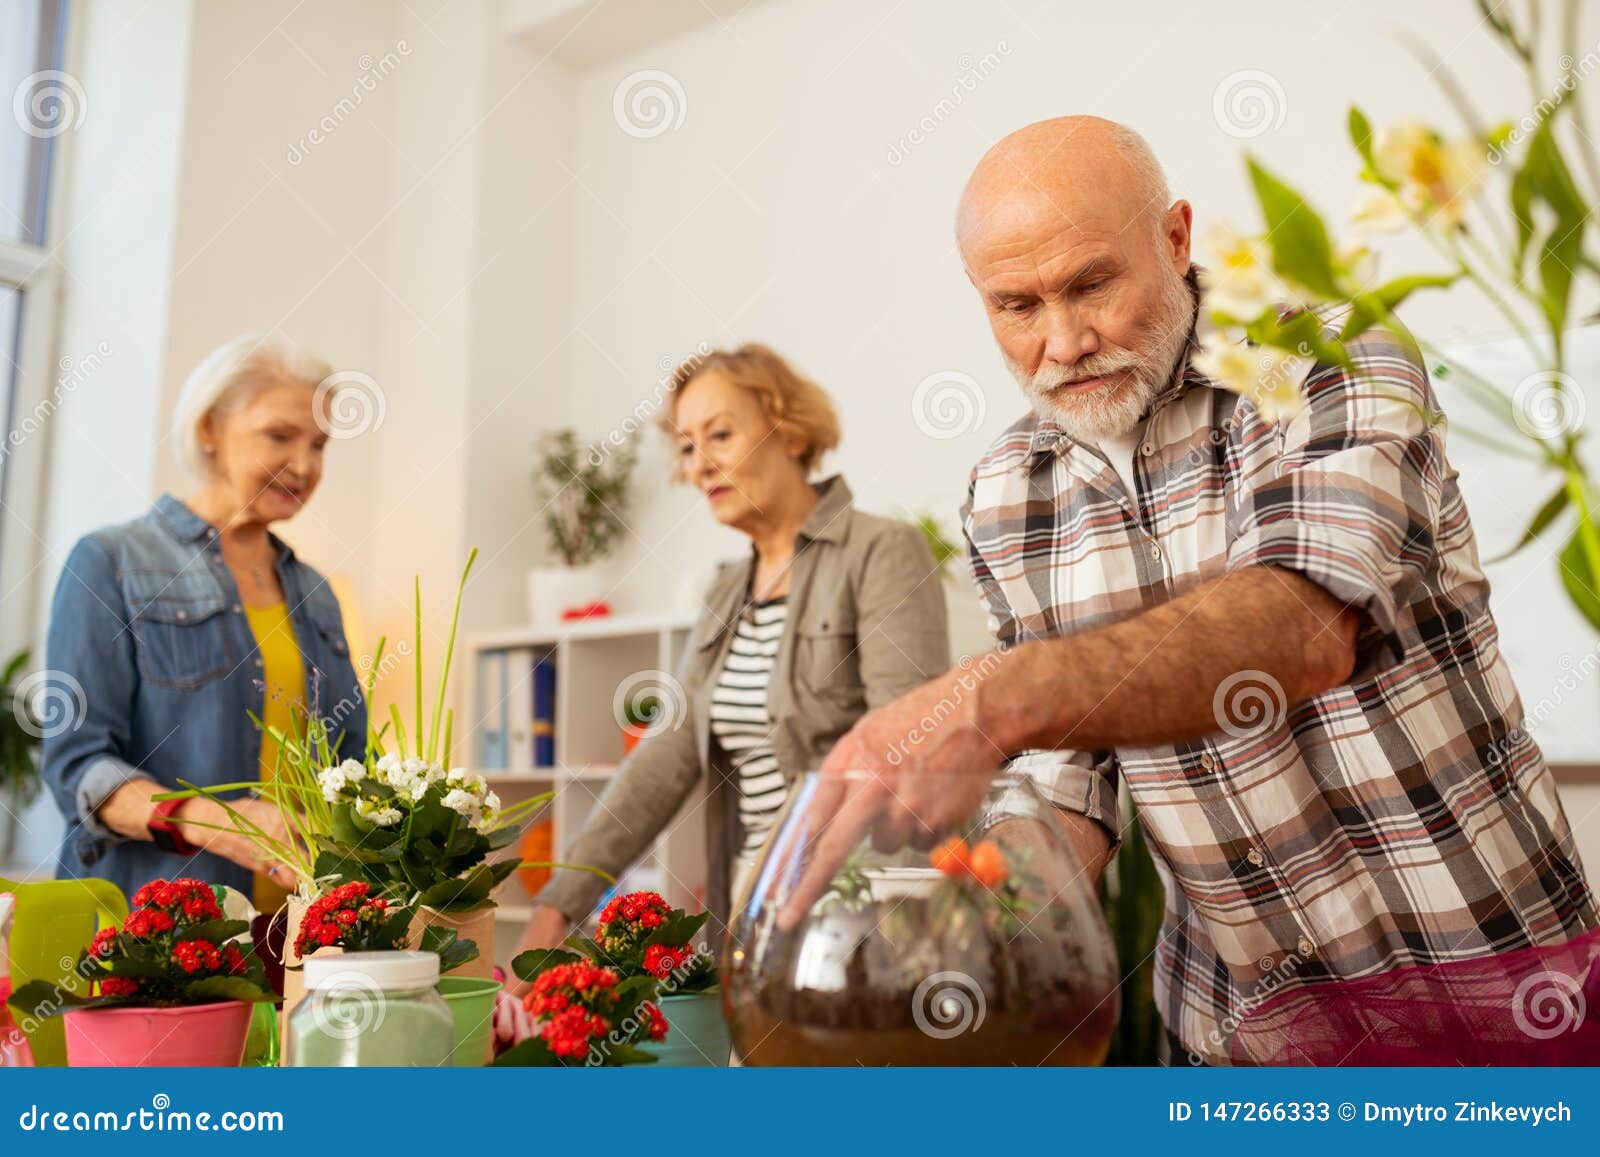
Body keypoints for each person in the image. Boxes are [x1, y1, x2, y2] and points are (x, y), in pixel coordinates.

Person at [796, 116, 1597, 1066]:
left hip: (1499, 1004)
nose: (1063, 341)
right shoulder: (1007, 490)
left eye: (1092, 283)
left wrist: (990, 699)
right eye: (1016, 305)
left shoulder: (1326, 356)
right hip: (1243, 1045)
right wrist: (1004, 909)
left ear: (1175, 238)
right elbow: (1070, 783)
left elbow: (1303, 623)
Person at [512, 344, 949, 981]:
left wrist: (786, 874)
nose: (699, 464)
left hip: (857, 911)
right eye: (687, 446)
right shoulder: (723, 592)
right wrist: (558, 906)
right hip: (752, 906)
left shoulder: (882, 554)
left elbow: (904, 746)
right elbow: (665, 758)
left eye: (720, 433)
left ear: (792, 433)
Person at [41, 334, 368, 910]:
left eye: (319, 445)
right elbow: (78, 770)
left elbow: (351, 763)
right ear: (209, 430)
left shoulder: (315, 593)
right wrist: (220, 823)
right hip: (159, 932)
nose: (306, 465)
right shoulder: (111, 562)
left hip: (298, 932)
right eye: (280, 436)